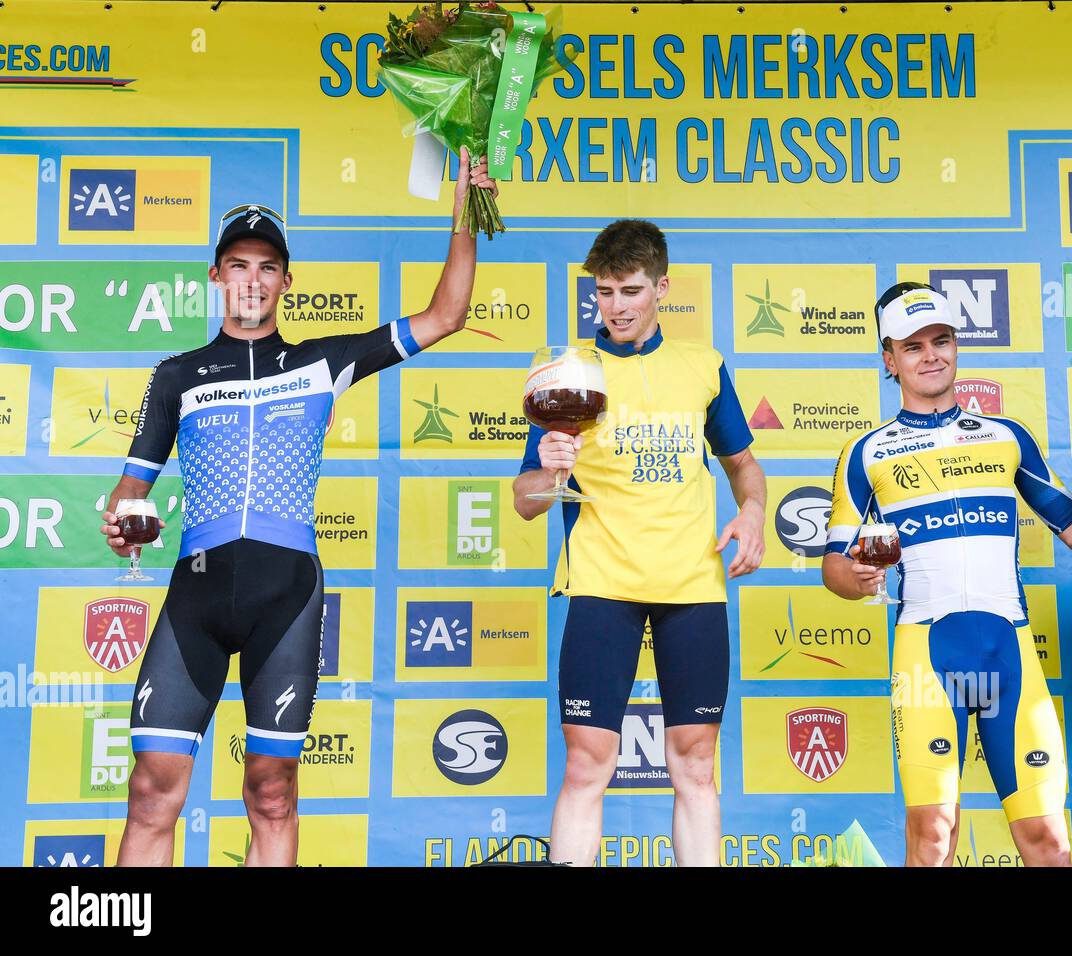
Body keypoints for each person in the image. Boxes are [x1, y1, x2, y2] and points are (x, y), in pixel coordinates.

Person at [100, 150, 497, 866]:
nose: (253, 280)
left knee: (273, 792)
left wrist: (466, 204)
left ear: (286, 281)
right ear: (216, 277)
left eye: (267, 266)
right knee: (154, 790)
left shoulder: (320, 362)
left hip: (286, 598)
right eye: (239, 265)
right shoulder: (176, 376)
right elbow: (132, 496)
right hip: (195, 595)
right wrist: (127, 521)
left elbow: (447, 315)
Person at [821, 281, 1072, 867]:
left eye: (942, 340)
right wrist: (854, 580)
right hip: (926, 653)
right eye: (913, 346)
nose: (931, 355)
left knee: (1049, 842)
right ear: (889, 359)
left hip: (1008, 650)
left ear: (957, 346)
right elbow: (834, 563)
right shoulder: (867, 451)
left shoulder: (1007, 436)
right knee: (932, 837)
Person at [513, 219, 766, 867]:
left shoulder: (701, 364)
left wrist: (754, 512)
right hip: (603, 587)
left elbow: (743, 464)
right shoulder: (569, 372)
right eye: (603, 293)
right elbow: (526, 503)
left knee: (696, 762)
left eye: (629, 291)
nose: (616, 307)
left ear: (661, 288)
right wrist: (549, 467)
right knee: (587, 763)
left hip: (693, 586)